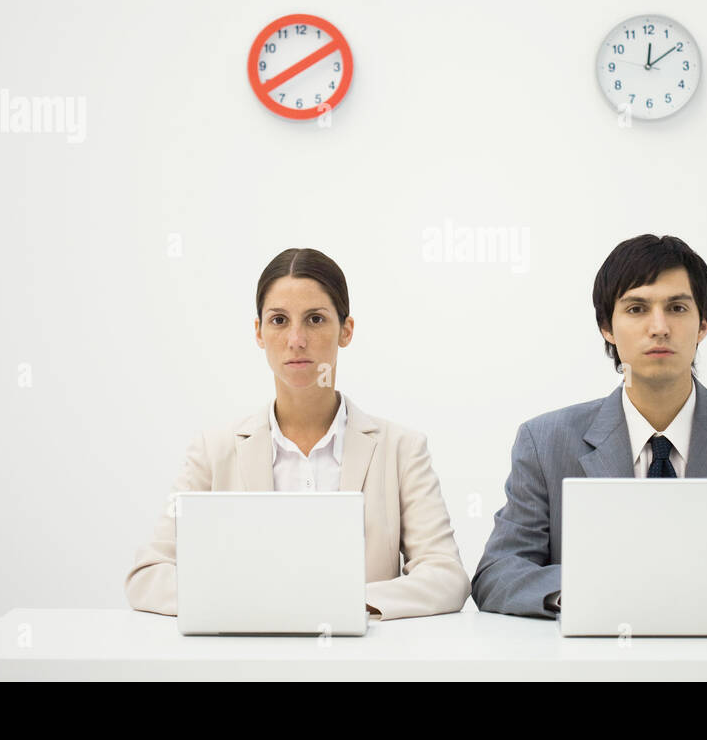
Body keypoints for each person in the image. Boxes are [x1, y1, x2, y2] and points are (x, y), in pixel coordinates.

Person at [471, 233, 707, 618]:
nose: (659, 327)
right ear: (607, 328)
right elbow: (498, 573)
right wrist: (591, 594)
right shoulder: (544, 441)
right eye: (636, 309)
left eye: (677, 308)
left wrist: (699, 593)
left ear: (703, 325)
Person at [125, 247, 469, 620]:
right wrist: (252, 603)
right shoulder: (213, 451)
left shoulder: (401, 449)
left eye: (316, 319)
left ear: (346, 330)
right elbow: (149, 575)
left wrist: (339, 604)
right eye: (278, 320)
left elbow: (446, 577)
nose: (296, 339)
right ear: (258, 332)